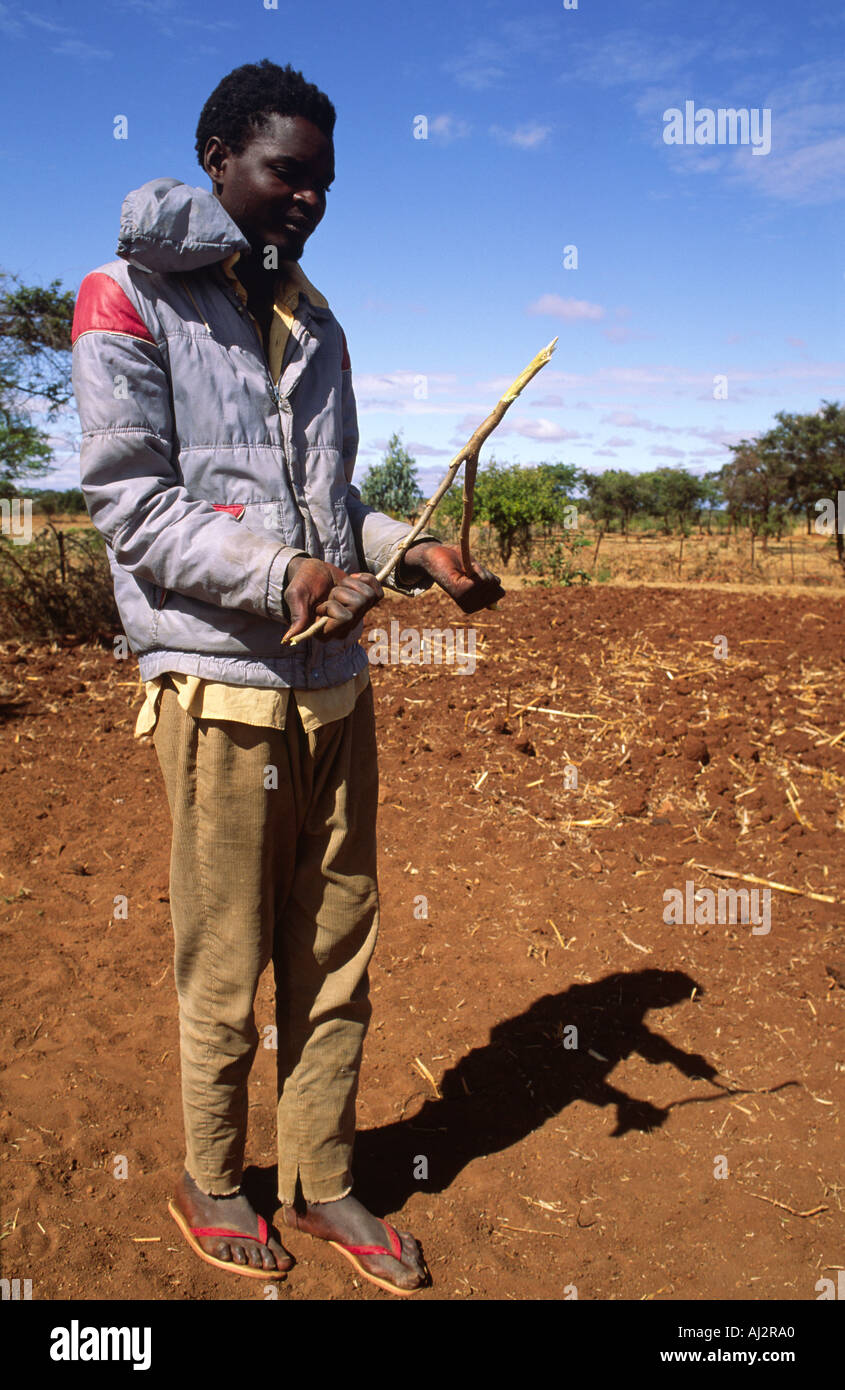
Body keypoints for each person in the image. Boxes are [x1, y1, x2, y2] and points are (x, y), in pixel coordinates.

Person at [71, 59, 504, 1296]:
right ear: (217, 159)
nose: (308, 198)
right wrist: (286, 579)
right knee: (225, 956)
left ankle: (319, 1178)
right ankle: (214, 1176)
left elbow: (333, 504)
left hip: (333, 692)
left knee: (335, 948)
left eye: (323, 181)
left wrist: (409, 551)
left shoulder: (317, 322)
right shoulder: (125, 296)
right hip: (221, 693)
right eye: (285, 172)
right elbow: (133, 503)